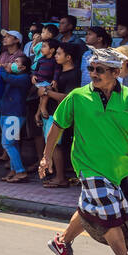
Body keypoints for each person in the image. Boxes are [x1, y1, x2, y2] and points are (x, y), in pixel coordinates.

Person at [43, 48, 128, 255]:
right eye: (91, 68)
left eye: (100, 70)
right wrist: (45, 157)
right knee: (110, 217)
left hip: (117, 169)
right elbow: (57, 125)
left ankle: (62, 242)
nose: (93, 74)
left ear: (116, 72)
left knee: (90, 210)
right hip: (87, 165)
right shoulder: (77, 96)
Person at [38, 43, 81, 188]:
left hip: (59, 115)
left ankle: (60, 177)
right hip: (51, 112)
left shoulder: (73, 74)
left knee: (56, 145)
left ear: (68, 57)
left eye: (59, 54)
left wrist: (47, 92)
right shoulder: (58, 72)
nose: (56, 56)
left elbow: (67, 97)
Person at [0, 52, 33, 182]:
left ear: (23, 68)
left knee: (7, 143)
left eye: (16, 62)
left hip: (15, 114)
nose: (12, 63)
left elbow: (8, 78)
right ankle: (13, 170)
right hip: (6, 113)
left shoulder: (24, 78)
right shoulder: (11, 76)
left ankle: (21, 172)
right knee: (12, 143)